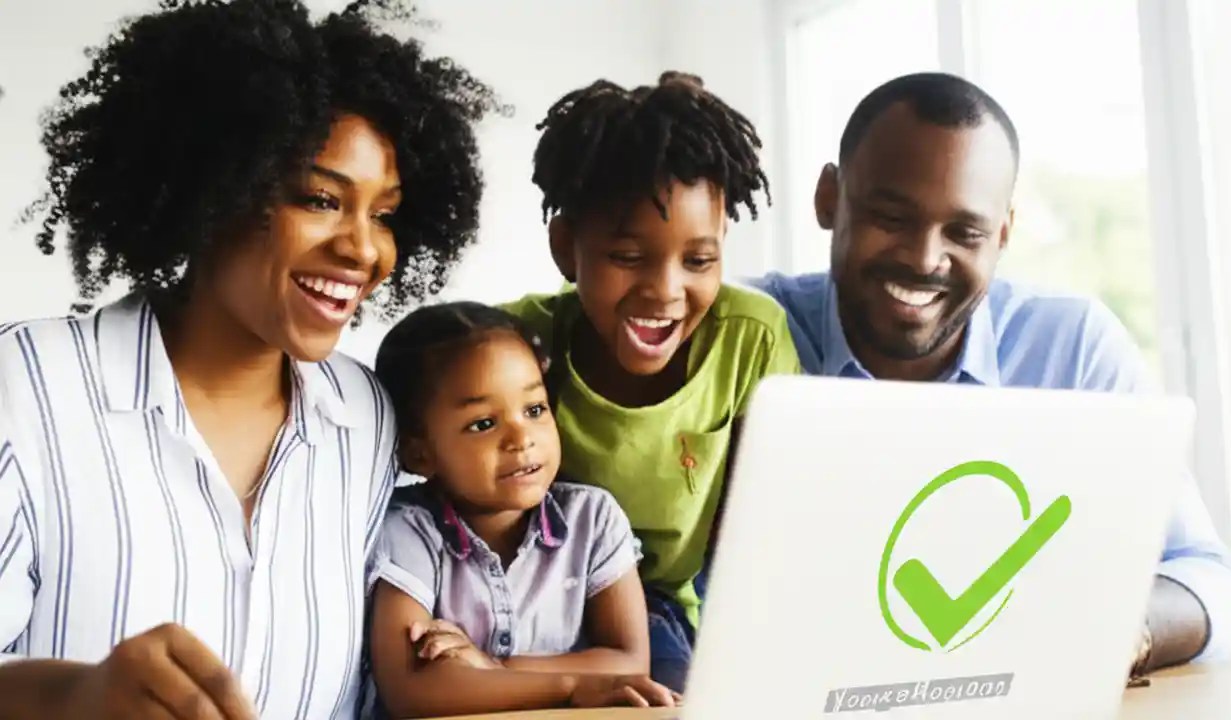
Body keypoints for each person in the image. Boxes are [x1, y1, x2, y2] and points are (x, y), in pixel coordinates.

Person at [0, 1, 501, 718]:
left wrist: (457, 659)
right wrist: (73, 696)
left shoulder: (363, 420)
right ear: (215, 184)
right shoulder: (28, 385)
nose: (363, 249)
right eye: (320, 198)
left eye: (384, 214)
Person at [752, 72, 1231, 677]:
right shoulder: (738, 334)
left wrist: (1124, 631)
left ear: (1004, 233)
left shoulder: (1072, 349)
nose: (925, 258)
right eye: (891, 216)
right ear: (830, 198)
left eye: (966, 233)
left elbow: (1208, 576)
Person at [501, 71, 802, 692]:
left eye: (699, 261)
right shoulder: (518, 342)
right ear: (566, 248)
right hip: (519, 597)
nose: (665, 292)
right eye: (629, 257)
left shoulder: (751, 339)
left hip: (656, 608)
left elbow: (763, 532)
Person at [367, 302, 677, 717]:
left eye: (534, 410)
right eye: (483, 423)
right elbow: (412, 689)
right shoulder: (408, 533)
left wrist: (488, 667)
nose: (522, 438)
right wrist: (572, 686)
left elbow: (628, 662)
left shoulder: (593, 519)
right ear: (419, 453)